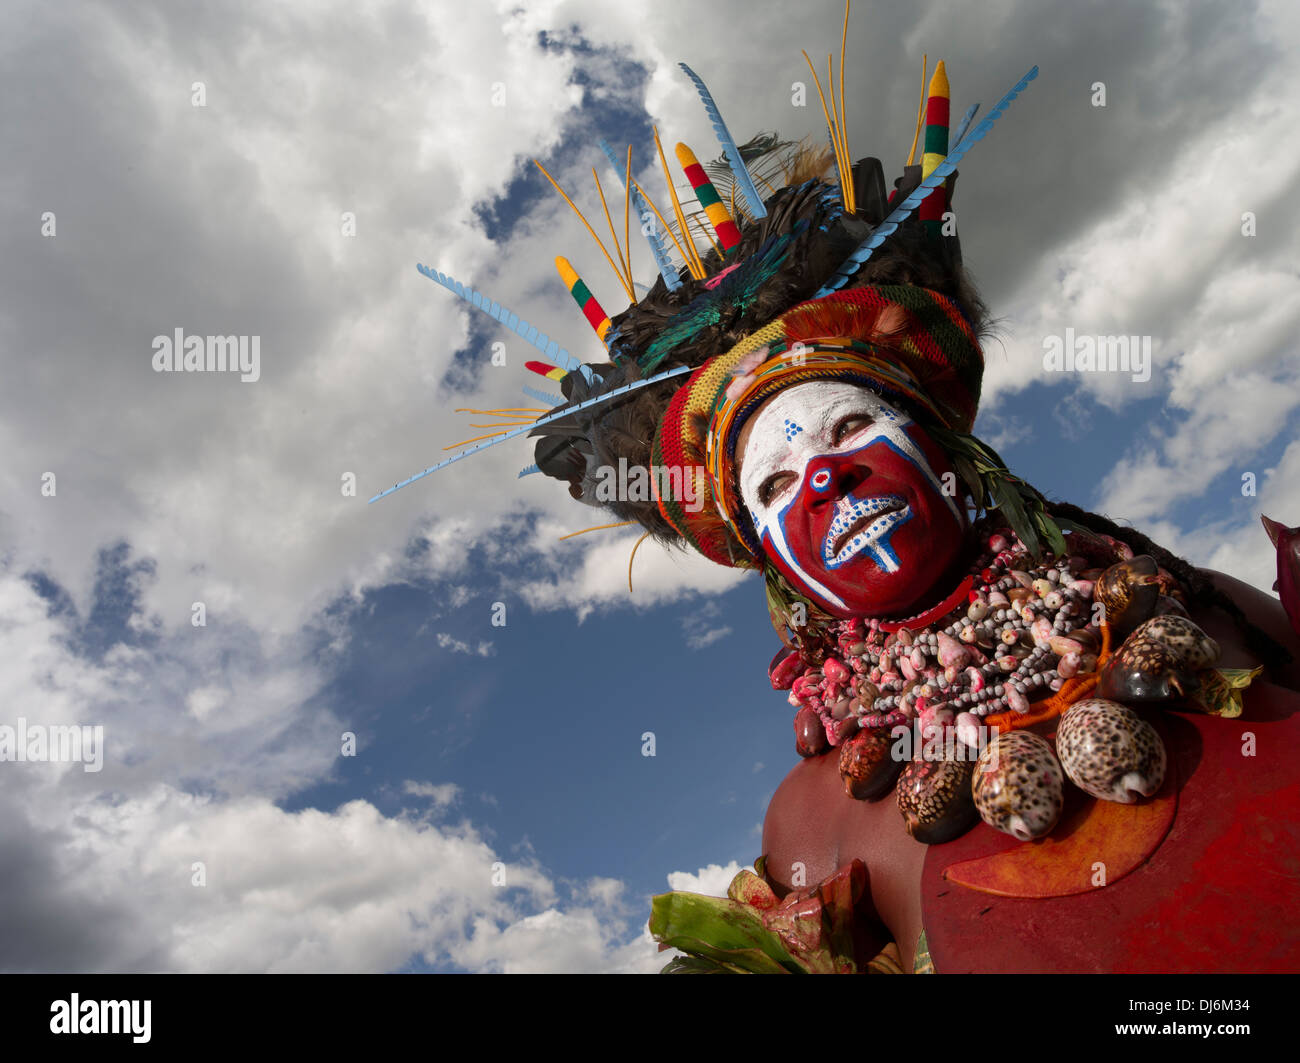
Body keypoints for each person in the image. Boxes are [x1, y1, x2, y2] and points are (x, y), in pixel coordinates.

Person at [375, 11, 1300, 972]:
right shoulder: (816, 822)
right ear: (770, 558)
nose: (822, 474)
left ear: (944, 447)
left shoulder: (1177, 598)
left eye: (851, 428)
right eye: (775, 482)